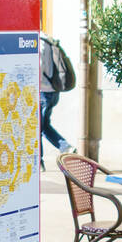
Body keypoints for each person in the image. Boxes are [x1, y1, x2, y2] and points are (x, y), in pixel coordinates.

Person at [39, 32, 75, 161]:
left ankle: (38, 161)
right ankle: (64, 146)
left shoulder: (39, 42)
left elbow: (40, 65)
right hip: (53, 90)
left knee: (38, 128)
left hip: (43, 90)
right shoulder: (49, 40)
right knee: (44, 126)